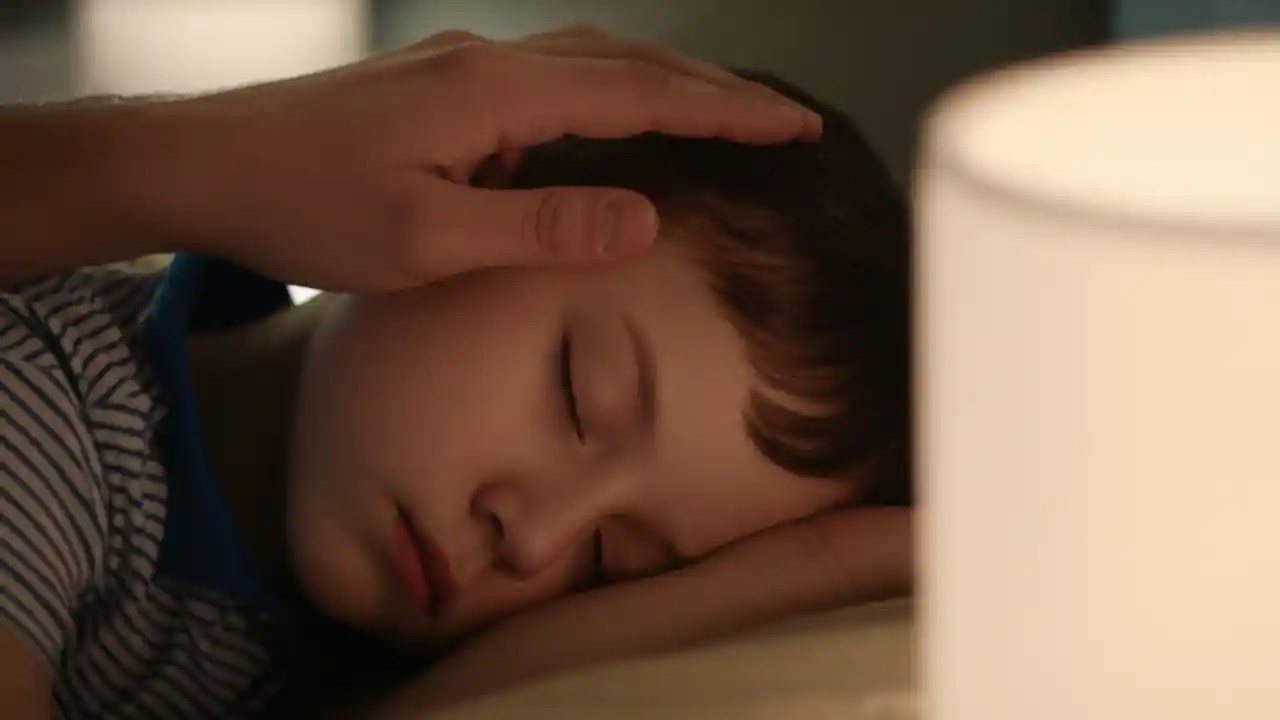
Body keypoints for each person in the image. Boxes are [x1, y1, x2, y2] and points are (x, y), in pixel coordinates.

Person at [0, 26, 910, 720]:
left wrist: (818, 570)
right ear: (476, 176)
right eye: (576, 396)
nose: (535, 541)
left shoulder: (331, 644)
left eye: (612, 566)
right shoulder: (46, 412)